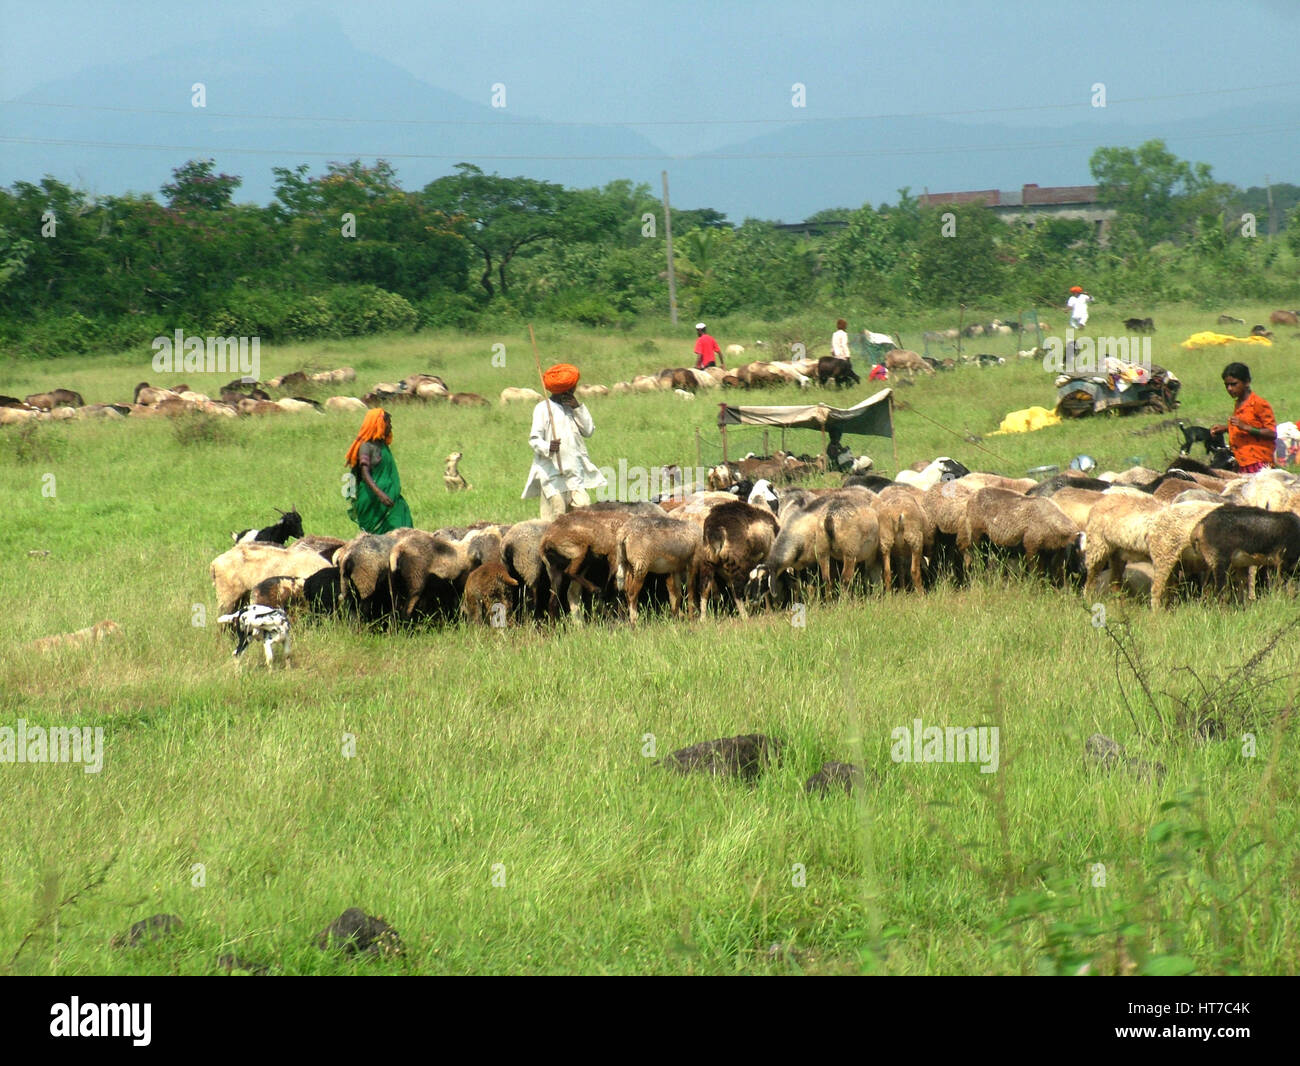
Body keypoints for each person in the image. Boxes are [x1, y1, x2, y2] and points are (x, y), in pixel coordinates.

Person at [522, 362, 608, 518]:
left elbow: (588, 431)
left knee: (584, 515)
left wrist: (578, 408)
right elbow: (534, 439)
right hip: (553, 475)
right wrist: (549, 447)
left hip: (575, 473)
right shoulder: (543, 408)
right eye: (573, 388)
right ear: (568, 389)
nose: (574, 390)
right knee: (556, 519)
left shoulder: (573, 408)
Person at [344, 408, 413, 533]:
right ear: (380, 423)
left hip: (392, 497)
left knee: (403, 524)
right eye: (388, 423)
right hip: (373, 498)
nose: (390, 427)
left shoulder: (383, 446)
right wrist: (380, 494)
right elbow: (365, 473)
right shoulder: (366, 446)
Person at [1212, 362, 1276, 473]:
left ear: (1246, 382)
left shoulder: (1258, 403)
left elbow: (1272, 433)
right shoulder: (1239, 403)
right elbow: (1244, 426)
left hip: (1258, 463)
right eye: (1226, 385)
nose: (1229, 389)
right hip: (1241, 461)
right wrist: (1226, 428)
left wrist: (1246, 427)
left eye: (1233, 384)